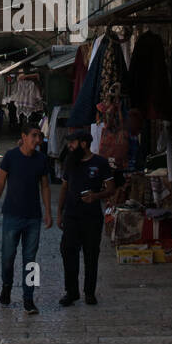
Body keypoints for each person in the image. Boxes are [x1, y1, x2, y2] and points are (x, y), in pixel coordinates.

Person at [0, 123, 52, 314]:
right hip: (12, 216)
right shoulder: (10, 157)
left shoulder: (41, 160)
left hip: (33, 217)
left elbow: (45, 187)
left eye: (39, 136)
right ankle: (7, 285)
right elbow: (0, 183)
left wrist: (48, 211)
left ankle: (29, 298)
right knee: (8, 257)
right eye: (33, 135)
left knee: (31, 261)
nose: (37, 140)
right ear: (23, 137)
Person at [57, 128, 115, 307]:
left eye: (73, 142)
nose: (69, 146)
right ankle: (71, 292)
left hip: (91, 217)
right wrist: (59, 212)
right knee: (68, 252)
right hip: (72, 216)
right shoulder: (70, 162)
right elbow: (64, 188)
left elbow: (111, 188)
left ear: (84, 144)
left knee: (91, 255)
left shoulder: (100, 163)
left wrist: (95, 196)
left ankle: (89, 292)